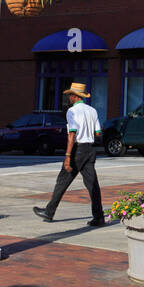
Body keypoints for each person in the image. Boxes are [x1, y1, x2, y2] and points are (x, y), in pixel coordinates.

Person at [34, 82, 105, 227]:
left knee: (63, 180)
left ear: (74, 96)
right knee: (92, 185)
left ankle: (49, 212)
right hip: (90, 149)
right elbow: (98, 132)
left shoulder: (72, 112)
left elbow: (72, 134)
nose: (69, 98)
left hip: (77, 150)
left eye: (70, 95)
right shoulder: (92, 111)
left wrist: (67, 156)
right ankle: (99, 216)